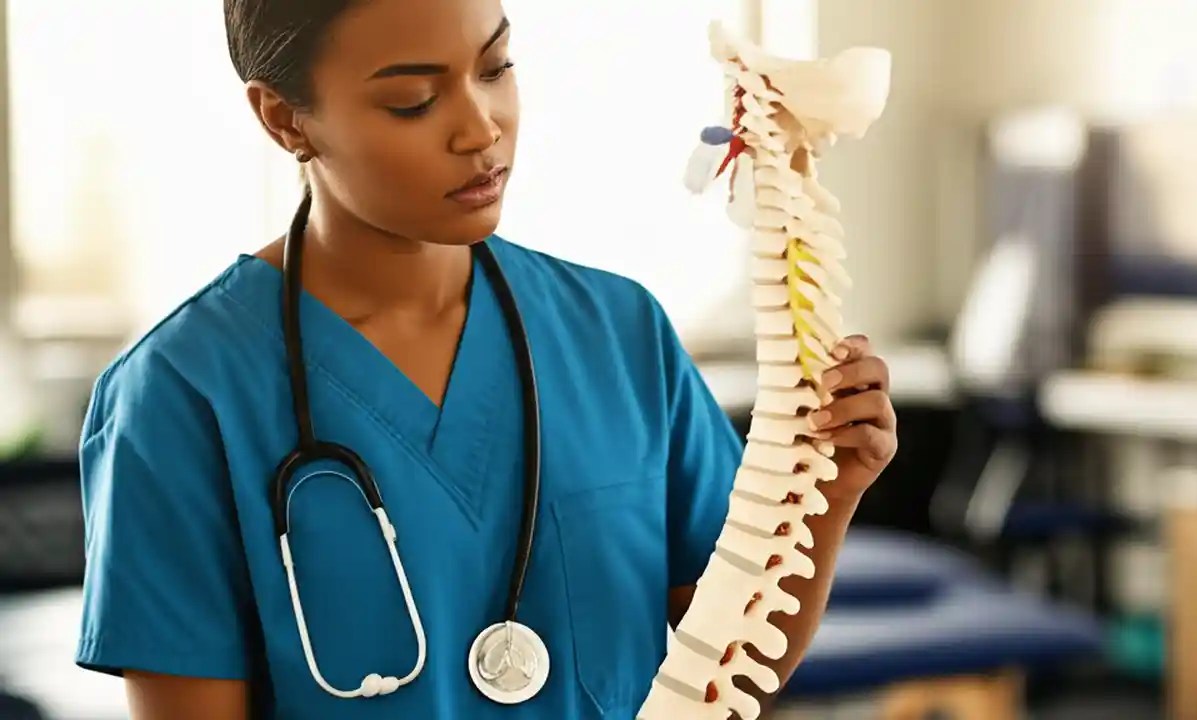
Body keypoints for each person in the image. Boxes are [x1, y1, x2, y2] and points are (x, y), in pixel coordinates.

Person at [74, 0, 899, 718]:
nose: (481, 127)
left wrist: (828, 493)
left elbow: (730, 665)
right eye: (412, 101)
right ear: (286, 120)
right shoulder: (179, 398)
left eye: (496, 67)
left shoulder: (619, 335)